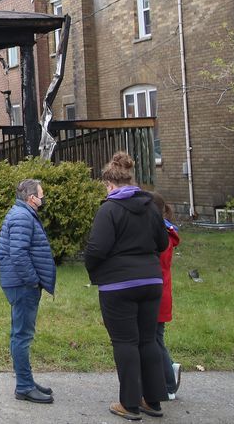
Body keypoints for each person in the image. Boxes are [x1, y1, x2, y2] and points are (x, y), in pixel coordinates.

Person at [85, 152, 169, 421]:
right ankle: (152, 400)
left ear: (109, 184)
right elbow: (163, 243)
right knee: (148, 340)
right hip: (151, 281)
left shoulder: (108, 209)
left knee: (125, 342)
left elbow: (96, 249)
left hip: (118, 285)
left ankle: (129, 404)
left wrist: (95, 271)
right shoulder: (150, 206)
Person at [0, 178, 56, 404]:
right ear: (32, 198)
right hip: (22, 285)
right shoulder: (22, 217)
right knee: (22, 335)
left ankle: (26, 380)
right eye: (41, 195)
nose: (43, 198)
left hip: (19, 283)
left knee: (20, 334)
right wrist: (32, 281)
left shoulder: (22, 214)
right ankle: (24, 386)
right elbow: (18, 254)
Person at [150, 191, 182, 400]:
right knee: (154, 338)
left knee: (155, 340)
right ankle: (168, 369)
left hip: (158, 295)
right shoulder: (164, 231)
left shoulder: (162, 235)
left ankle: (169, 384)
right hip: (160, 293)